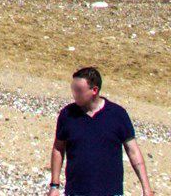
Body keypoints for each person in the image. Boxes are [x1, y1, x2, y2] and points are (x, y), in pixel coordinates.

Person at [47, 66, 149, 196]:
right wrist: (54, 186)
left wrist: (146, 188)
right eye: (73, 89)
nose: (74, 94)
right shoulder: (67, 114)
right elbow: (58, 148)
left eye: (79, 90)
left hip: (110, 192)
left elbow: (133, 151)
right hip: (76, 191)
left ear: (94, 90)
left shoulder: (118, 114)